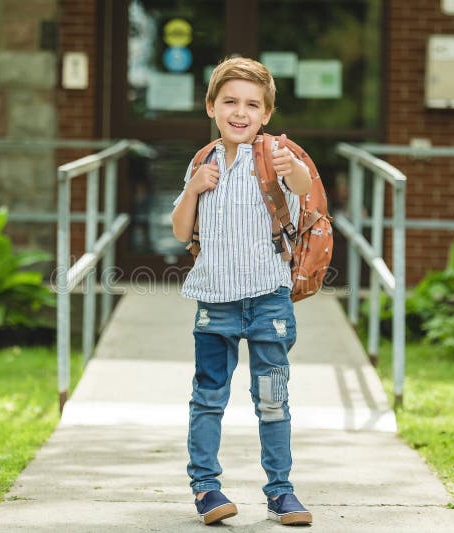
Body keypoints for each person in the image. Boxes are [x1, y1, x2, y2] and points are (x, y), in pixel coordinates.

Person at [171, 57, 313, 526]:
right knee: (209, 396)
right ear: (212, 106)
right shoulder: (202, 163)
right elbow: (179, 231)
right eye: (230, 101)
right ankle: (206, 488)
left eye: (252, 104)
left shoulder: (275, 158)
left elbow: (304, 186)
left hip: (268, 302)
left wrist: (291, 165)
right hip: (215, 303)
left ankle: (280, 492)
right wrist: (193, 190)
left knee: (272, 399)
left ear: (266, 113)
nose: (241, 111)